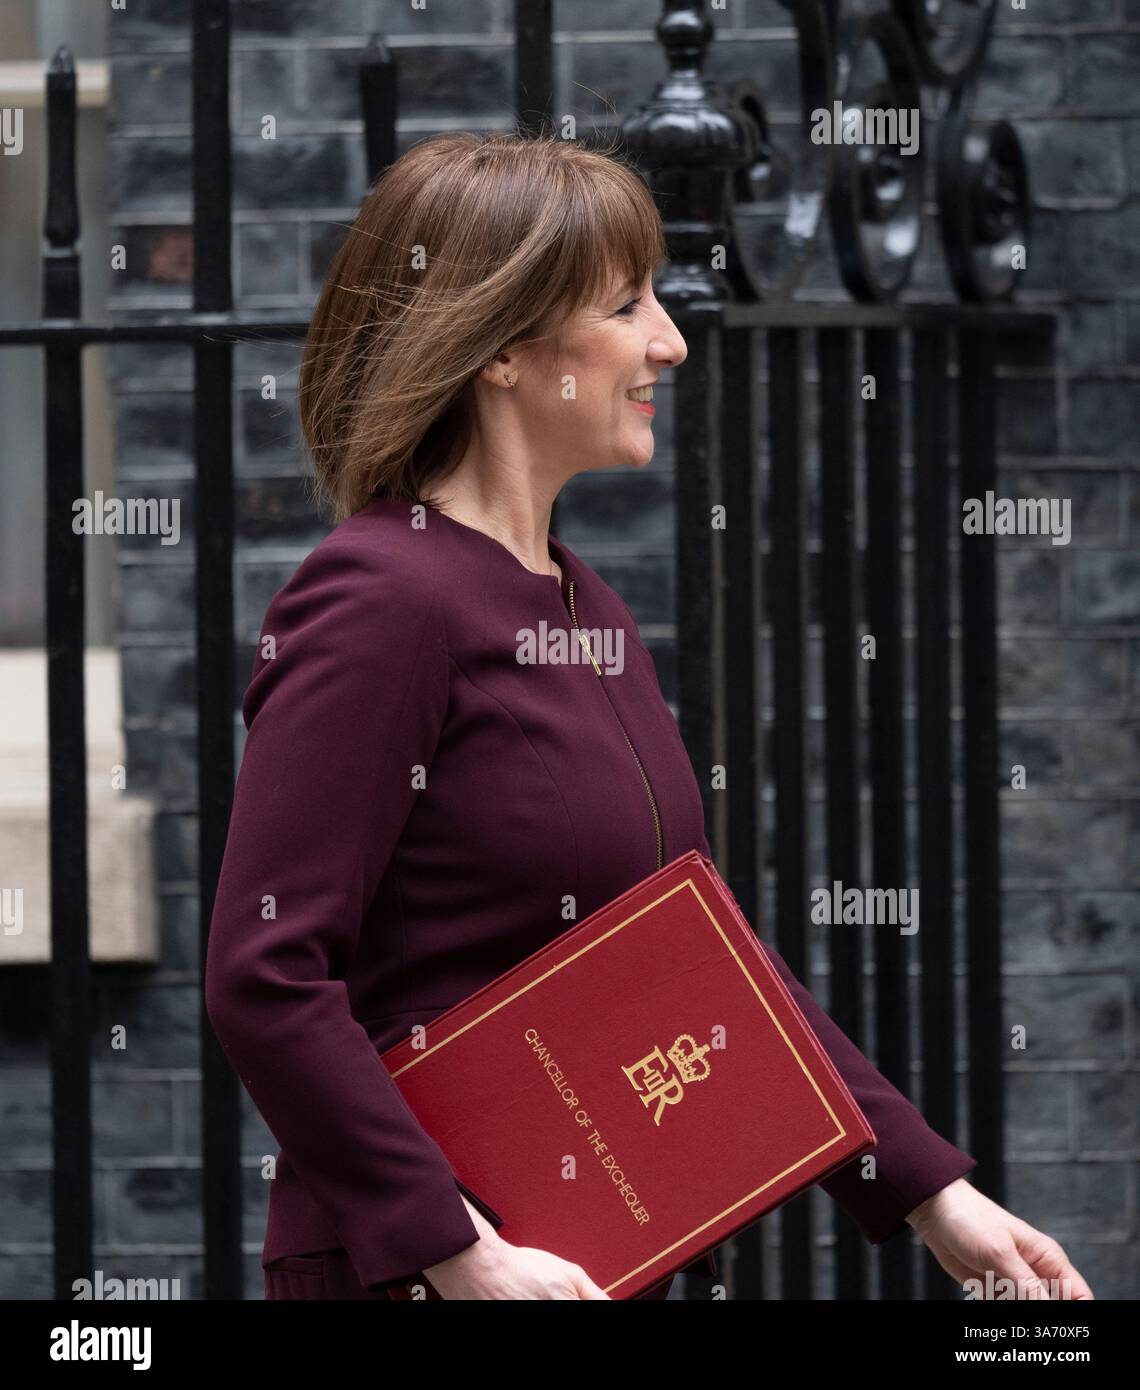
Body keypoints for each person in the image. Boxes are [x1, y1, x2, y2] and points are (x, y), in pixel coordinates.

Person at [204, 131, 1092, 1302]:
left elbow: (696, 959)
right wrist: (454, 1249)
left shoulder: (583, 601)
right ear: (504, 351)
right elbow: (264, 972)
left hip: (586, 1257)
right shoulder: (383, 597)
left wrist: (932, 1193)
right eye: (627, 304)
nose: (669, 341)